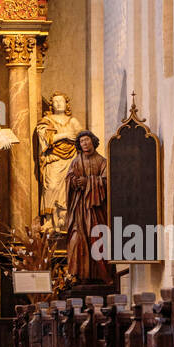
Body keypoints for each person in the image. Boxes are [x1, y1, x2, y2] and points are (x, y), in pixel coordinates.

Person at [65, 129, 109, 281]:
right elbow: (69, 179)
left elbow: (107, 182)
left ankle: (100, 276)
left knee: (97, 238)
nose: (84, 143)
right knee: (77, 240)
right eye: (81, 141)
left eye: (87, 140)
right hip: (79, 208)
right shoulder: (76, 161)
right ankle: (81, 275)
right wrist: (74, 182)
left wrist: (89, 182)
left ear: (93, 141)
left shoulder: (103, 162)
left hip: (96, 209)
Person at [35, 93, 83, 232]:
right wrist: (65, 135)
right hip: (54, 159)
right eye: (55, 101)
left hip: (70, 159)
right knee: (51, 186)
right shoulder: (47, 120)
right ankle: (50, 220)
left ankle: (66, 219)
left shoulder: (72, 121)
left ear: (66, 103)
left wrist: (74, 138)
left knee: (68, 188)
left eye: (61, 101)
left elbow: (81, 137)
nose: (58, 103)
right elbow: (44, 137)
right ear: (51, 105)